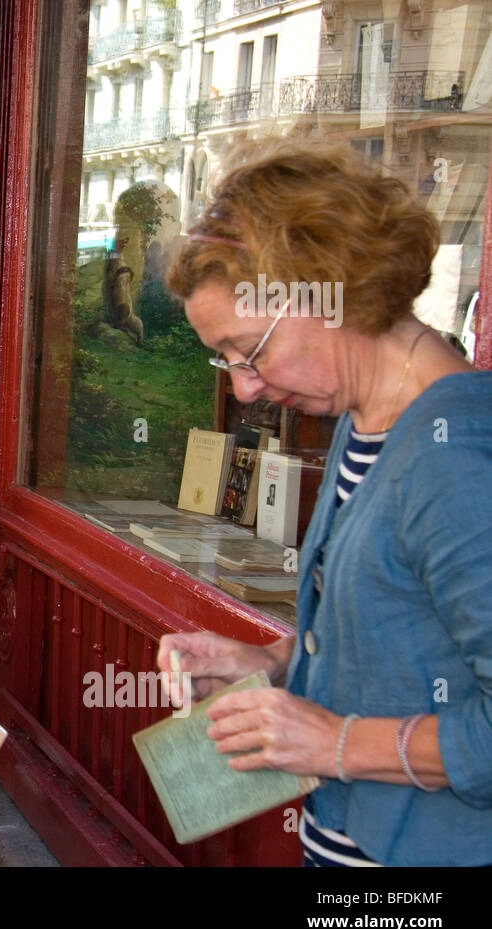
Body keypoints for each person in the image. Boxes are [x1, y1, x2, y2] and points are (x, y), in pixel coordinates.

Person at [159, 139, 492, 866]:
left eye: (250, 351)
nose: (243, 387)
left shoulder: (455, 457)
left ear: (324, 287)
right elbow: (394, 636)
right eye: (226, 361)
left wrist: (337, 743)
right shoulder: (361, 418)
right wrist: (270, 664)